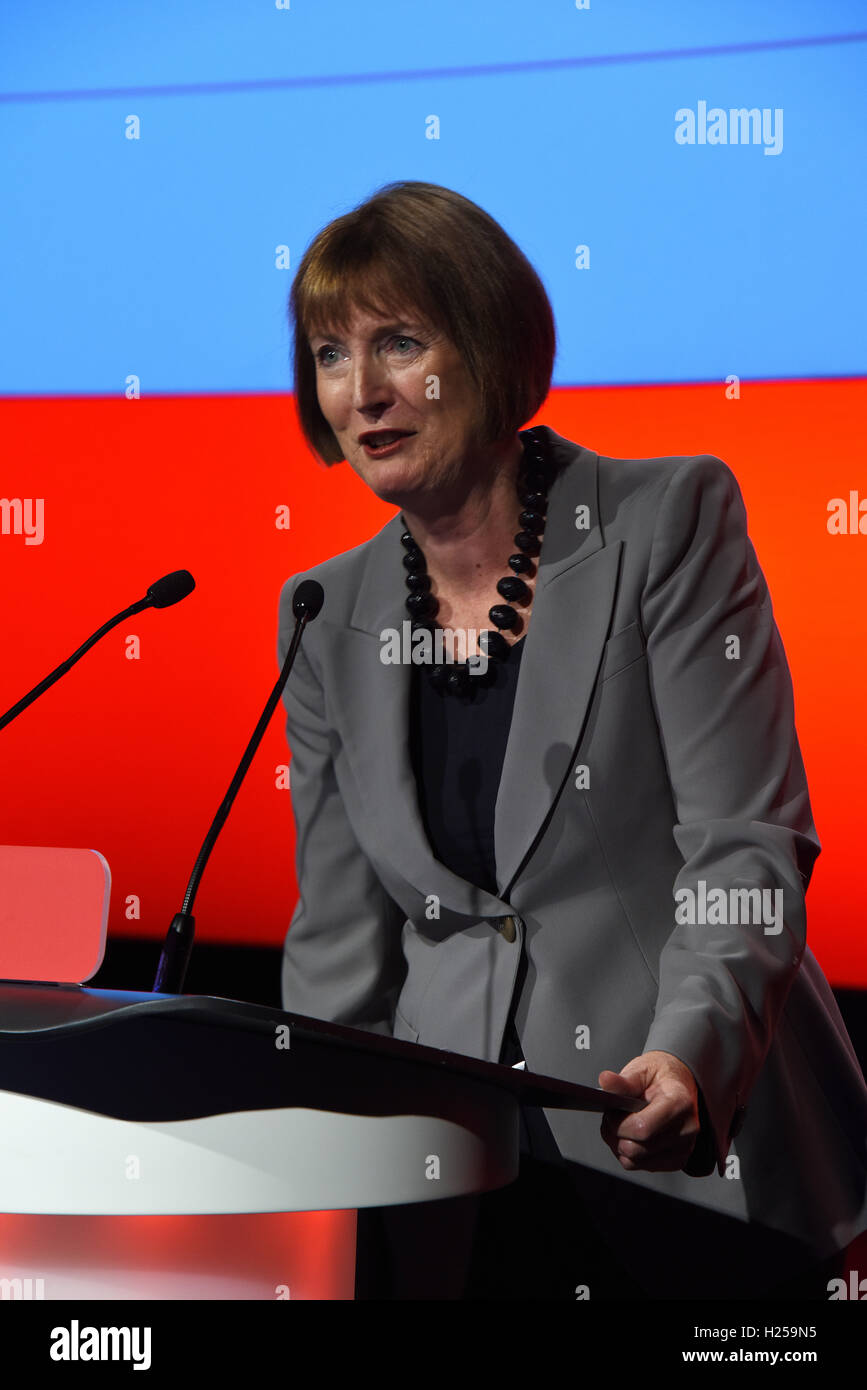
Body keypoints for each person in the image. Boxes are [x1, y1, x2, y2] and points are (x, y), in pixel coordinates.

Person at [275, 179, 867, 1299]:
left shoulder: (665, 523)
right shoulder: (325, 610)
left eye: (400, 341)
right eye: (329, 354)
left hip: (686, 1145)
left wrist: (693, 1052)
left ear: (492, 342)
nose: (364, 391)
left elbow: (746, 849)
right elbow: (340, 939)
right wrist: (312, 1140)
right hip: (456, 1181)